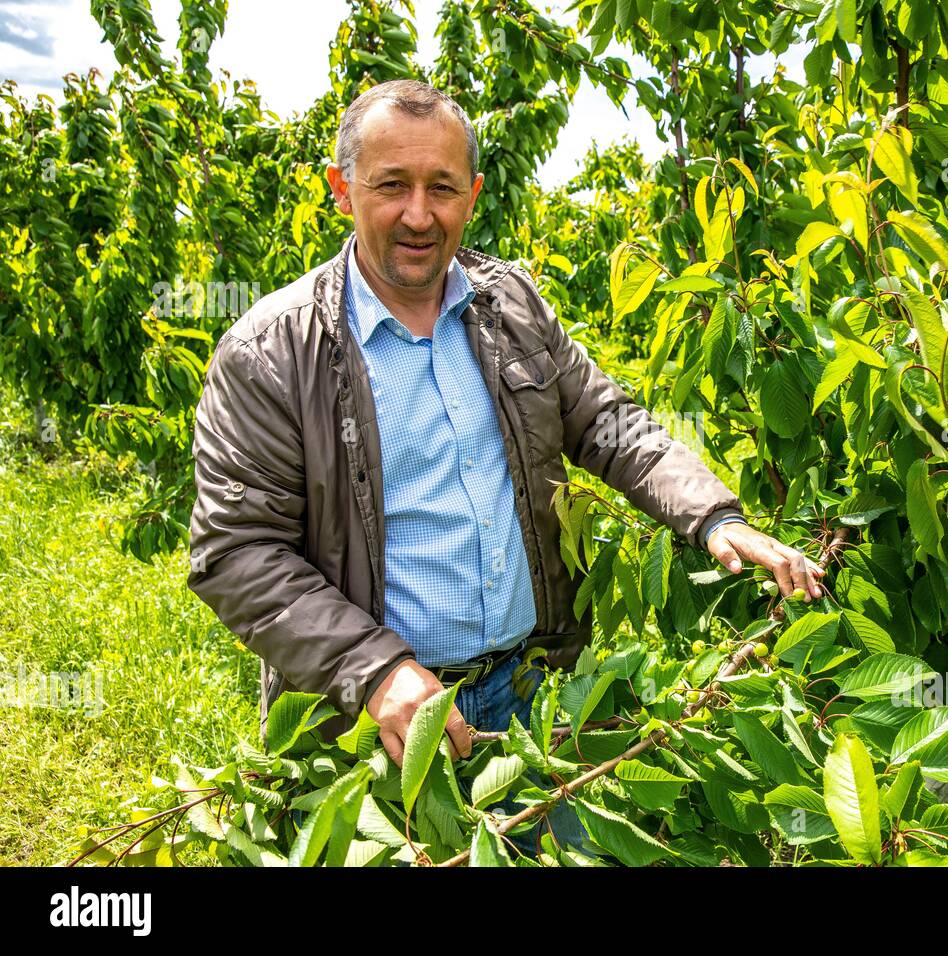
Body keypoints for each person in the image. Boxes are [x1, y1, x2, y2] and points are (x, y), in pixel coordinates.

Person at [186, 79, 825, 785]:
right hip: (373, 723)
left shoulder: (510, 304)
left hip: (532, 689)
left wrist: (712, 516)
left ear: (475, 193)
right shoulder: (271, 352)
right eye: (391, 185)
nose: (419, 215)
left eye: (443, 187)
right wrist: (373, 671)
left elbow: (607, 422)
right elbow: (236, 550)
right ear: (342, 189)